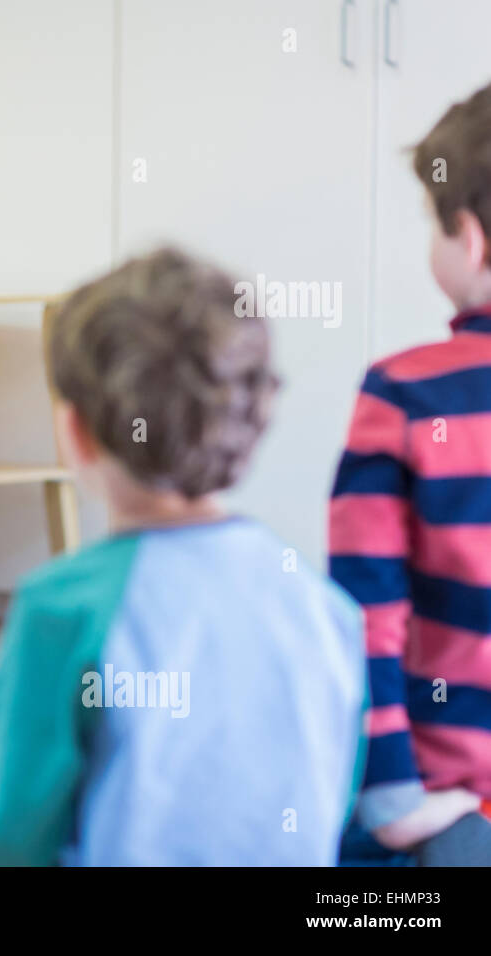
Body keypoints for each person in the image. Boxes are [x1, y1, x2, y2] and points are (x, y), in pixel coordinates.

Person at [0, 248, 366, 865]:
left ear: (73, 431)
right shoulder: (327, 607)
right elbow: (334, 800)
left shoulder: (62, 608)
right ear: (252, 420)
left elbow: (13, 837)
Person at [330, 80, 491, 866]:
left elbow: (366, 613)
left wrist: (392, 799)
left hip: (438, 800)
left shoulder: (403, 394)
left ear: (471, 240)